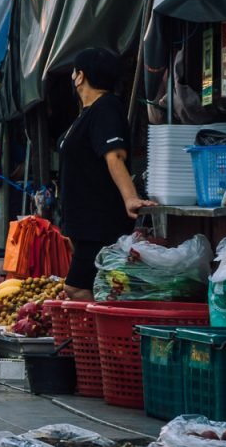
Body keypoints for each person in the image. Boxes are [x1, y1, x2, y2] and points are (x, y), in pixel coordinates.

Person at [57, 48, 156, 300]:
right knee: (93, 285)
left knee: (78, 287)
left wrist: (130, 198)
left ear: (80, 76)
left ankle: (99, 338)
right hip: (84, 225)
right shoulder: (88, 113)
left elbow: (115, 156)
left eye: (73, 73)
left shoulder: (106, 108)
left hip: (98, 223)